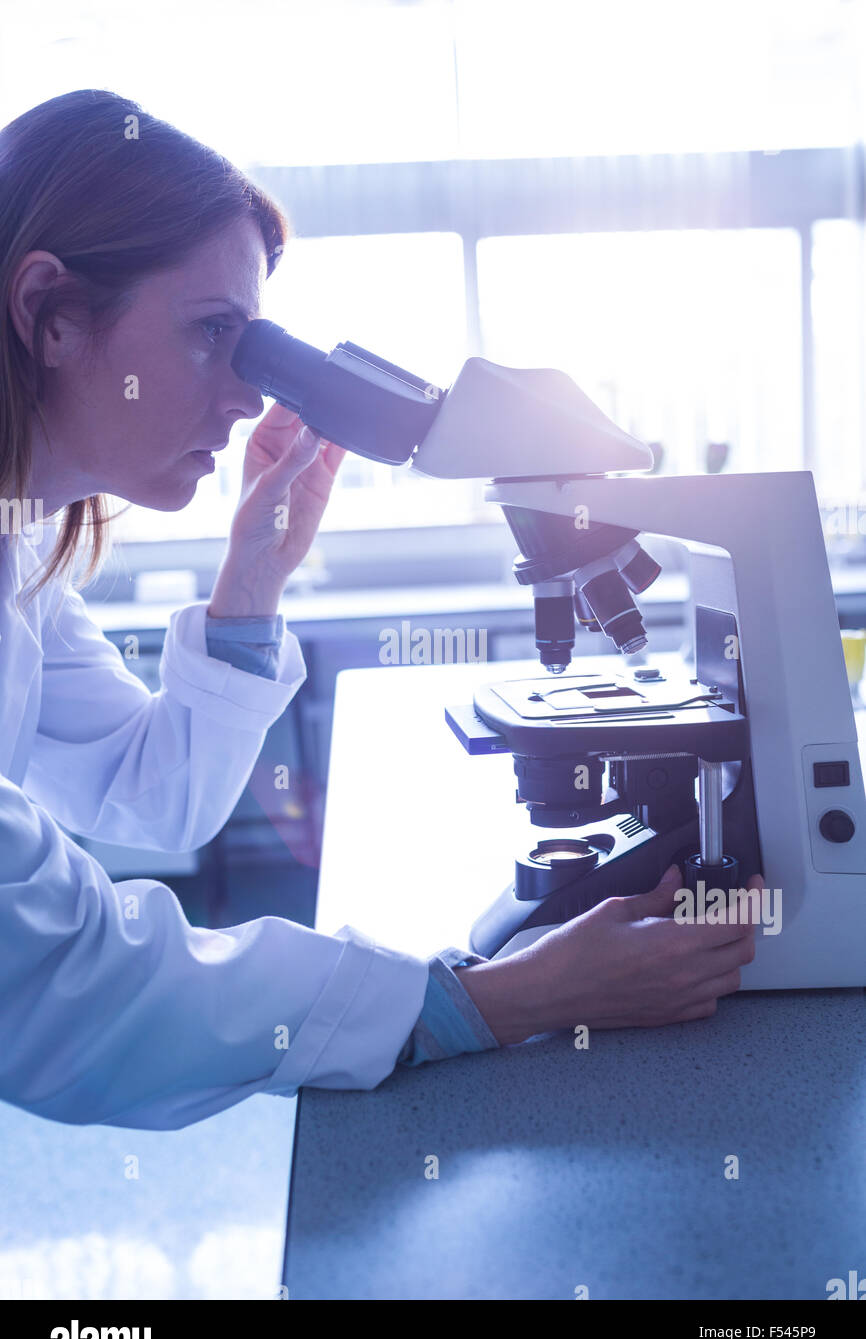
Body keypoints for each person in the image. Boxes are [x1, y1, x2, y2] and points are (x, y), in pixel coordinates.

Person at [0, 90, 761, 1131]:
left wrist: (253, 575)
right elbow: (56, 985)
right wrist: (499, 998)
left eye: (254, 343)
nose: (241, 393)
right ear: (49, 312)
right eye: (213, 333)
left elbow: (150, 792)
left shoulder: (22, 545)